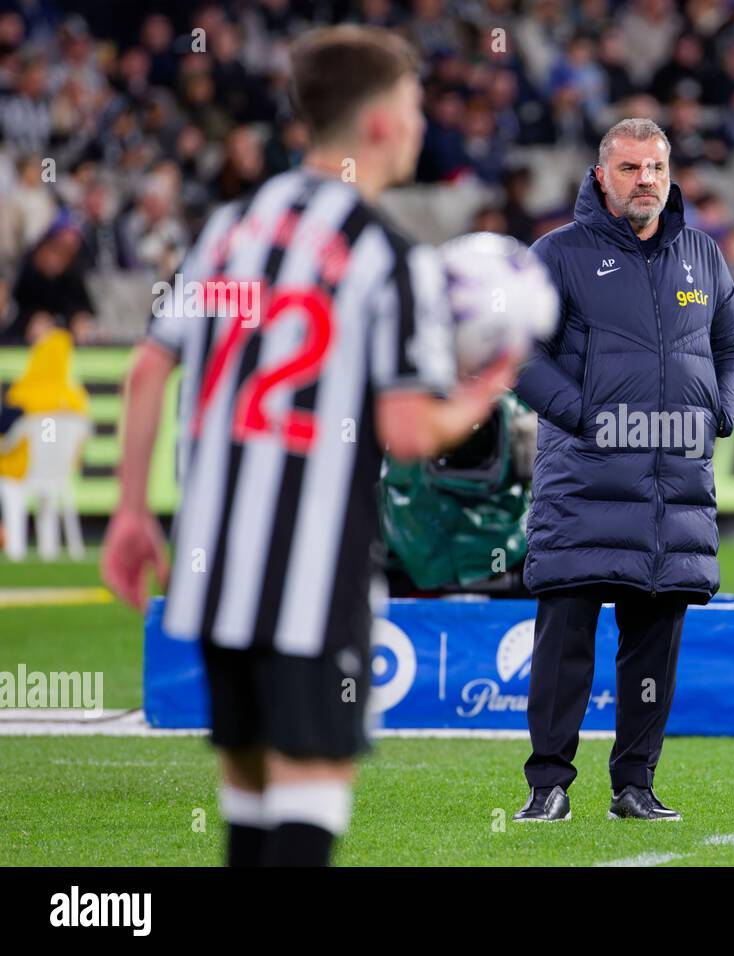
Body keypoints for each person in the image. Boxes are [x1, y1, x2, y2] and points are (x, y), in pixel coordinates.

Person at [99, 25, 516, 867]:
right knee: (306, 808)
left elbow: (148, 370)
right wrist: (487, 387)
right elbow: (406, 433)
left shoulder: (231, 227)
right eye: (409, 108)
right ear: (375, 124)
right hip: (313, 575)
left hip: (214, 565)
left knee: (246, 809)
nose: (417, 126)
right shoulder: (382, 253)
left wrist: (131, 510)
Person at [511, 118, 734, 822]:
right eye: (629, 168)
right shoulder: (555, 255)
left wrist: (719, 410)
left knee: (653, 651)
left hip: (673, 493)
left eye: (655, 167)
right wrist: (584, 416)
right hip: (584, 486)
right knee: (565, 645)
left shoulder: (703, 256)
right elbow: (517, 355)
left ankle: (635, 787)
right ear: (600, 176)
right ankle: (548, 785)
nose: (645, 179)